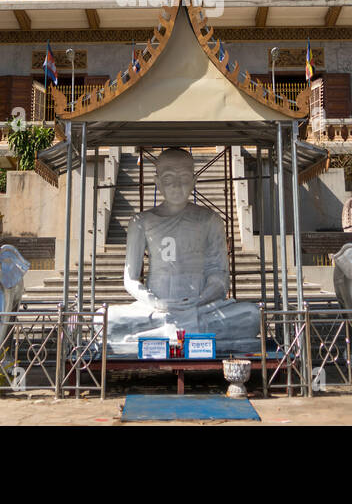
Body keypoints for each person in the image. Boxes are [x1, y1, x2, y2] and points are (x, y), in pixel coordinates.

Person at [107, 148, 259, 352]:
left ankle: (162, 334)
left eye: (185, 178)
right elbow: (130, 279)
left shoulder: (210, 219)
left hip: (201, 307)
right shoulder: (141, 221)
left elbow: (219, 274)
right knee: (106, 319)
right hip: (157, 309)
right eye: (169, 179)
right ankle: (185, 332)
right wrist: (156, 302)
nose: (177, 186)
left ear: (194, 181)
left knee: (251, 314)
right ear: (157, 182)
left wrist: (201, 299)